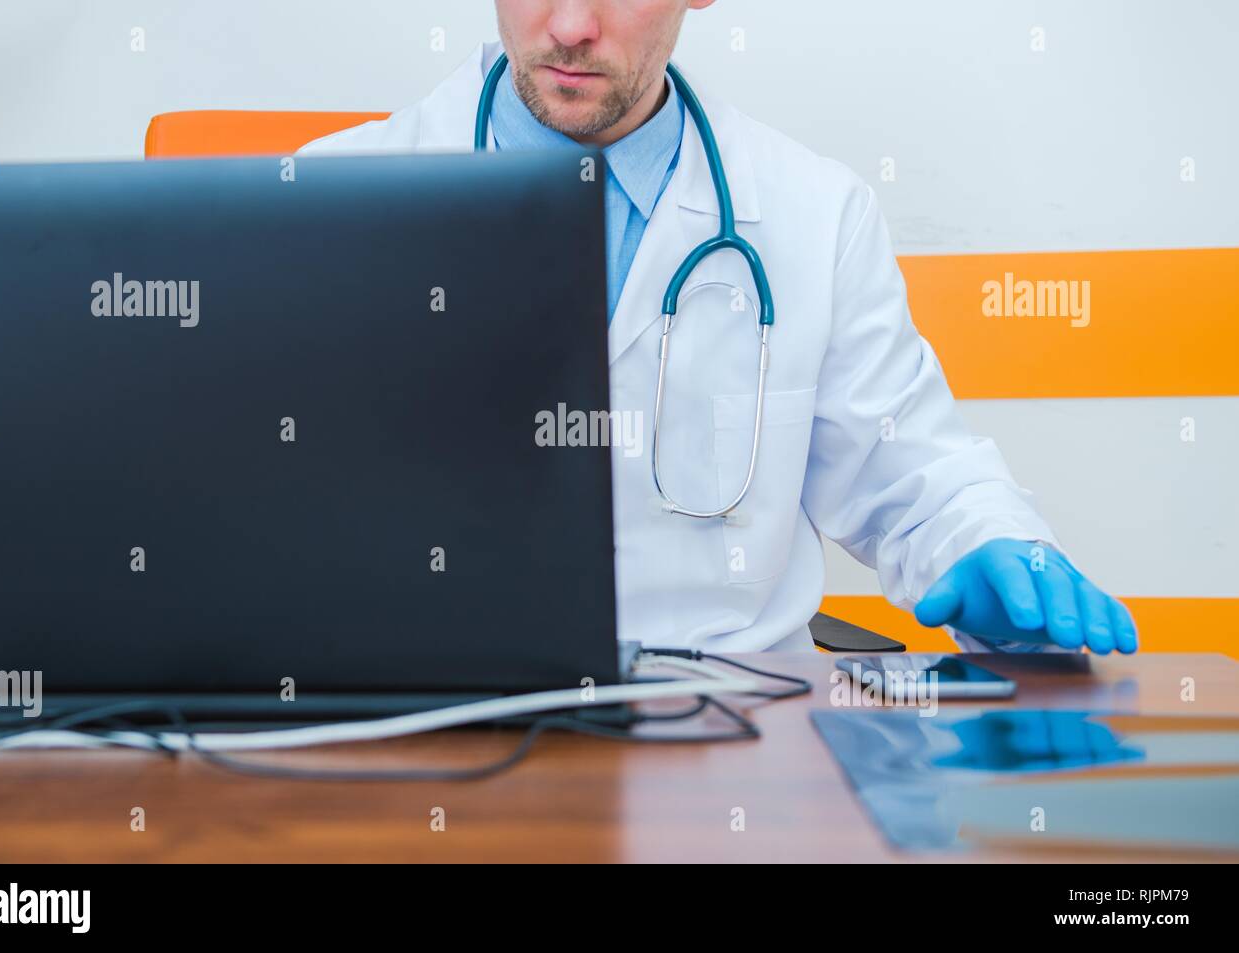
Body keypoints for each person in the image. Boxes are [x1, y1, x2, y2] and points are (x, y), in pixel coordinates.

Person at [299, 0, 1137, 656]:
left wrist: (987, 539)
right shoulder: (325, 200)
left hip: (731, 736)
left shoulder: (816, 214)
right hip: (428, 729)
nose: (569, 27)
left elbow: (912, 477)